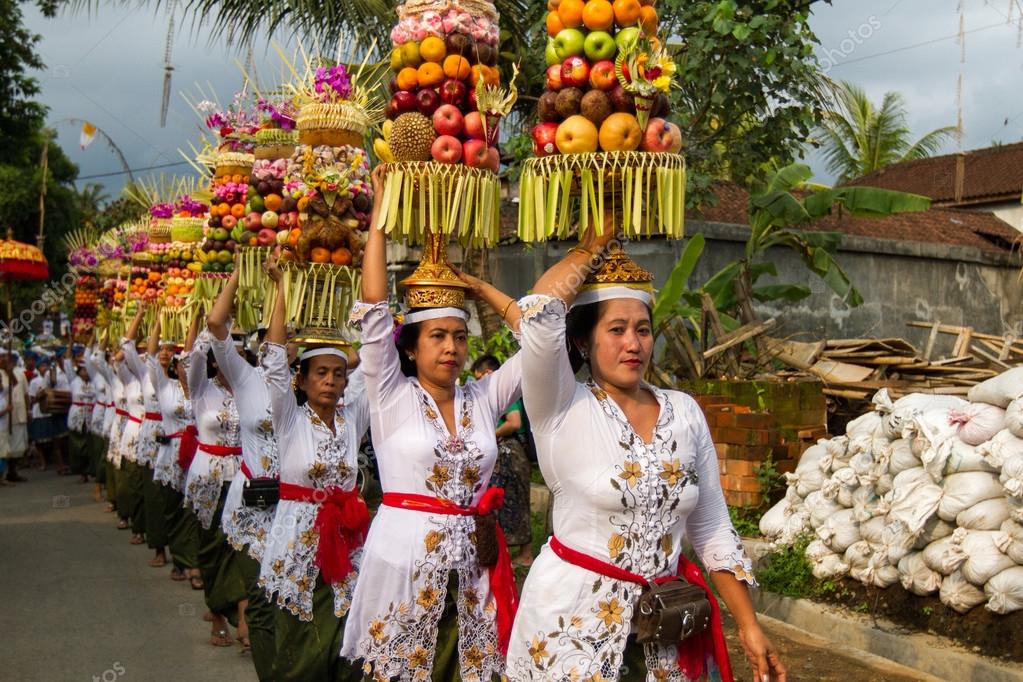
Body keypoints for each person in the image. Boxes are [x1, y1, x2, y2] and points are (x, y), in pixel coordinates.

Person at [505, 222, 787, 682]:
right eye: (616, 330)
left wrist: (750, 627)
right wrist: (594, 247)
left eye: (643, 329)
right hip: (570, 632)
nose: (633, 344)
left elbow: (713, 525)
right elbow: (538, 313)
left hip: (667, 627)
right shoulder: (560, 404)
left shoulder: (685, 411)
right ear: (581, 341)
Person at [340, 166, 523, 681]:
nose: (450, 348)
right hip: (403, 569)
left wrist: (481, 287)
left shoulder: (483, 398)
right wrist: (378, 216)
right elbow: (374, 308)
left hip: (475, 572)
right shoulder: (390, 394)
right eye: (437, 336)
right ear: (412, 345)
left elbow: (541, 343)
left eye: (459, 337)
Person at [259, 255, 370, 682]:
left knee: (346, 632)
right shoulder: (289, 418)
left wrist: (362, 309)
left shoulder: (352, 419)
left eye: (337, 374)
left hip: (346, 539)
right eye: (320, 373)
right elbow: (273, 361)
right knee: (302, 635)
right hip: (296, 541)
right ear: (301, 381)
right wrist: (282, 288)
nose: (330, 380)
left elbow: (373, 368)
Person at [206, 264, 280, 674]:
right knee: (259, 586)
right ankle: (249, 629)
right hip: (254, 502)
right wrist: (239, 272)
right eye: (272, 339)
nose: (278, 347)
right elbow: (216, 323)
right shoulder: (247, 379)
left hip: (299, 508)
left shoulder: (312, 385)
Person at [182, 312, 248, 648]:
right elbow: (192, 358)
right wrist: (208, 324)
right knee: (211, 548)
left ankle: (243, 614)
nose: (230, 360)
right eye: (224, 355)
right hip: (207, 477)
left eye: (236, 355)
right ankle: (217, 615)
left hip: (241, 479)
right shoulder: (200, 389)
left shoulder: (249, 390)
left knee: (240, 546)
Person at [146, 319, 202, 589]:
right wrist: (159, 320)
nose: (184, 369)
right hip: (170, 458)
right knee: (172, 510)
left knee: (192, 512)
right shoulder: (164, 386)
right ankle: (177, 558)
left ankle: (190, 562)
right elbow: (150, 355)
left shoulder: (203, 391)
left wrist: (198, 323)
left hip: (197, 459)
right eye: (180, 365)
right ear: (174, 367)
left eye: (187, 365)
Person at [471, 355, 533, 568]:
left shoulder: (506, 393)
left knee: (512, 503)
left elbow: (513, 423)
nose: (478, 381)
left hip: (509, 453)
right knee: (509, 503)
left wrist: (491, 434)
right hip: (508, 454)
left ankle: (524, 555)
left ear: (489, 373)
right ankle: (515, 553)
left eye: (479, 376)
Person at [118, 308, 148, 545]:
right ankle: (138, 525)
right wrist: (140, 313)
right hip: (136, 434)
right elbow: (126, 346)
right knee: (136, 483)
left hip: (166, 441)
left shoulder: (163, 378)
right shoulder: (133, 378)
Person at [85, 340, 111, 502]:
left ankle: (107, 487)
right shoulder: (96, 375)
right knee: (101, 452)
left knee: (108, 454)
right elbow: (89, 358)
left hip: (113, 414)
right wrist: (92, 341)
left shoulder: (113, 372)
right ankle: (98, 487)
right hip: (101, 414)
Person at [65, 355, 96, 482]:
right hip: (76, 417)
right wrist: (70, 345)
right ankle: (81, 472)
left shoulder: (94, 382)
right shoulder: (74, 380)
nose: (85, 372)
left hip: (90, 416)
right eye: (83, 370)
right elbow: (67, 363)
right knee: (76, 446)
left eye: (87, 370)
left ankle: (90, 470)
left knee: (89, 445)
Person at [2, 350, 29, 483]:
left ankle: (13, 471)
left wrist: (29, 411)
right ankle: (3, 474)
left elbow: (25, 393)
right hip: (4, 415)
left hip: (19, 413)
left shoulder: (19, 373)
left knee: (19, 446)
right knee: (4, 447)